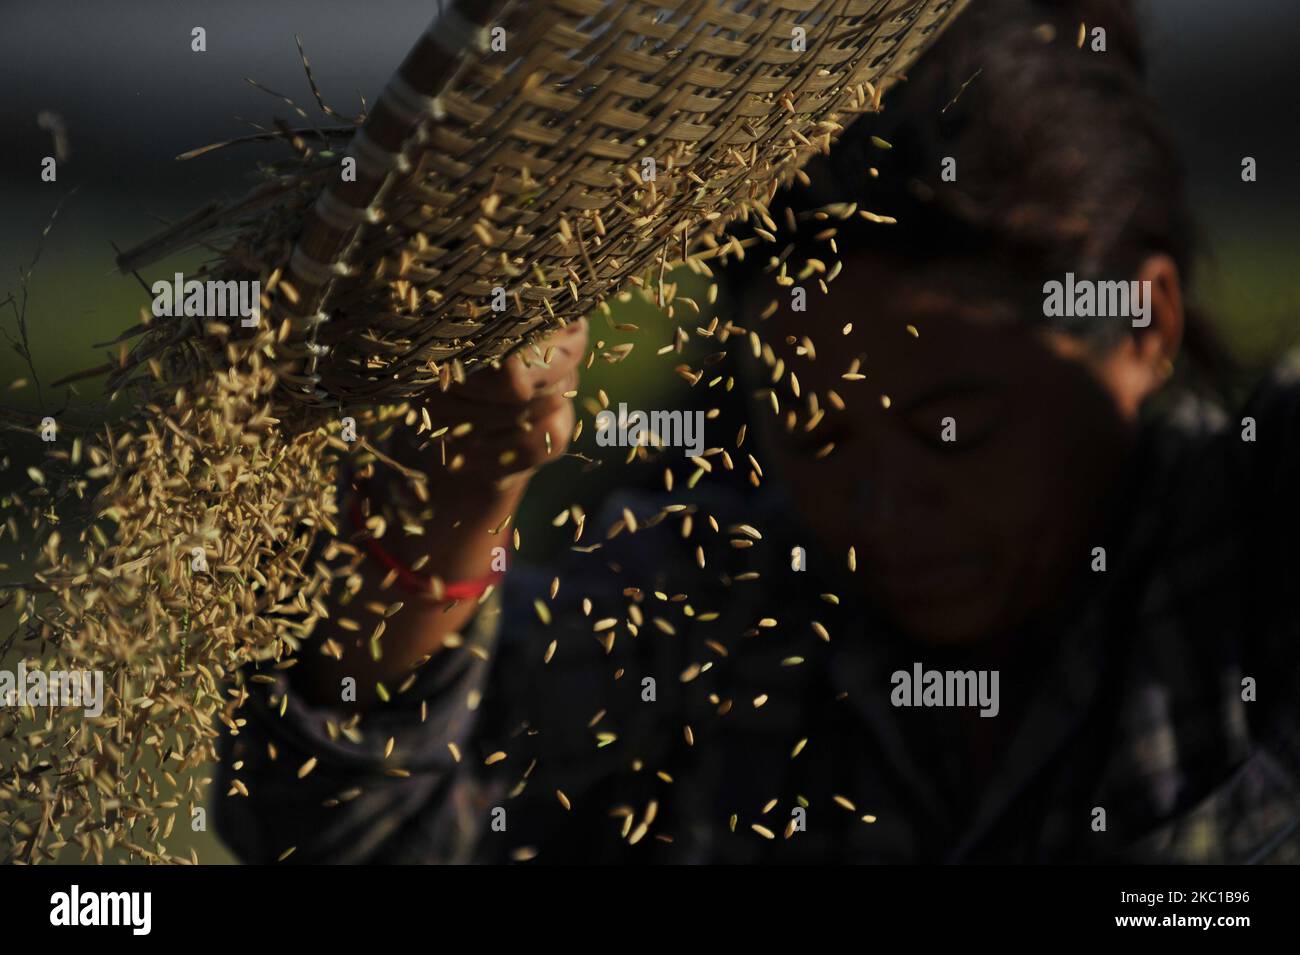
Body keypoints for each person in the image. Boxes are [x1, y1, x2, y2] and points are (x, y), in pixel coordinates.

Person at [216, 0, 1300, 863]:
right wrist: (460, 491)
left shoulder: (1241, 561)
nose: (879, 510)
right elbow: (332, 827)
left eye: (955, 427)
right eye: (814, 431)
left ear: (1138, 322)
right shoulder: (713, 606)